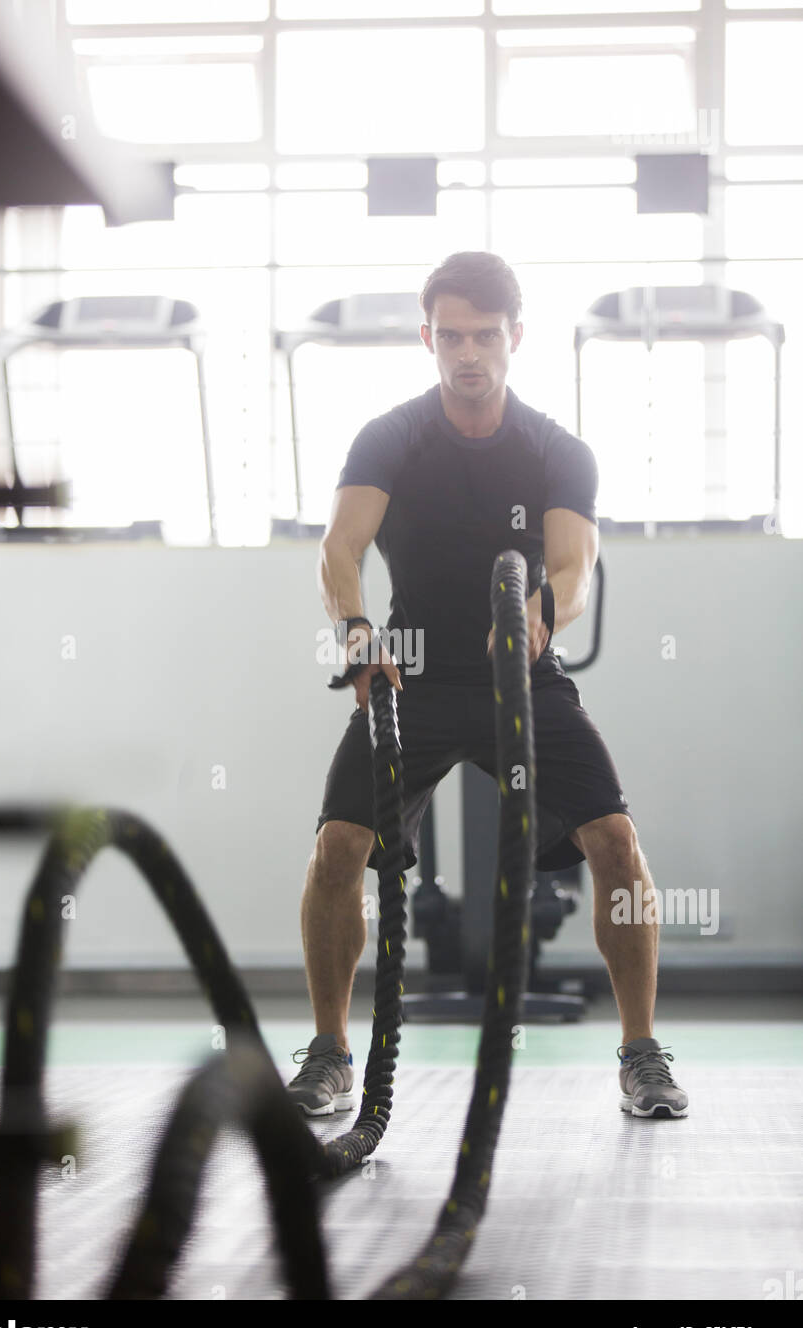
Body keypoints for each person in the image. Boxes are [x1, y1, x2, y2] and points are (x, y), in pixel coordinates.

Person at [287, 251, 688, 1122]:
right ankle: (328, 1055)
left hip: (523, 675)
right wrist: (356, 632)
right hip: (414, 672)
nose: (469, 353)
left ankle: (641, 1053)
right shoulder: (390, 437)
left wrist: (543, 609)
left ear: (516, 337)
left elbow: (577, 567)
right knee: (338, 850)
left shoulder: (555, 449)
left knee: (615, 842)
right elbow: (339, 551)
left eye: (486, 336)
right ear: (427, 338)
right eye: (452, 336)